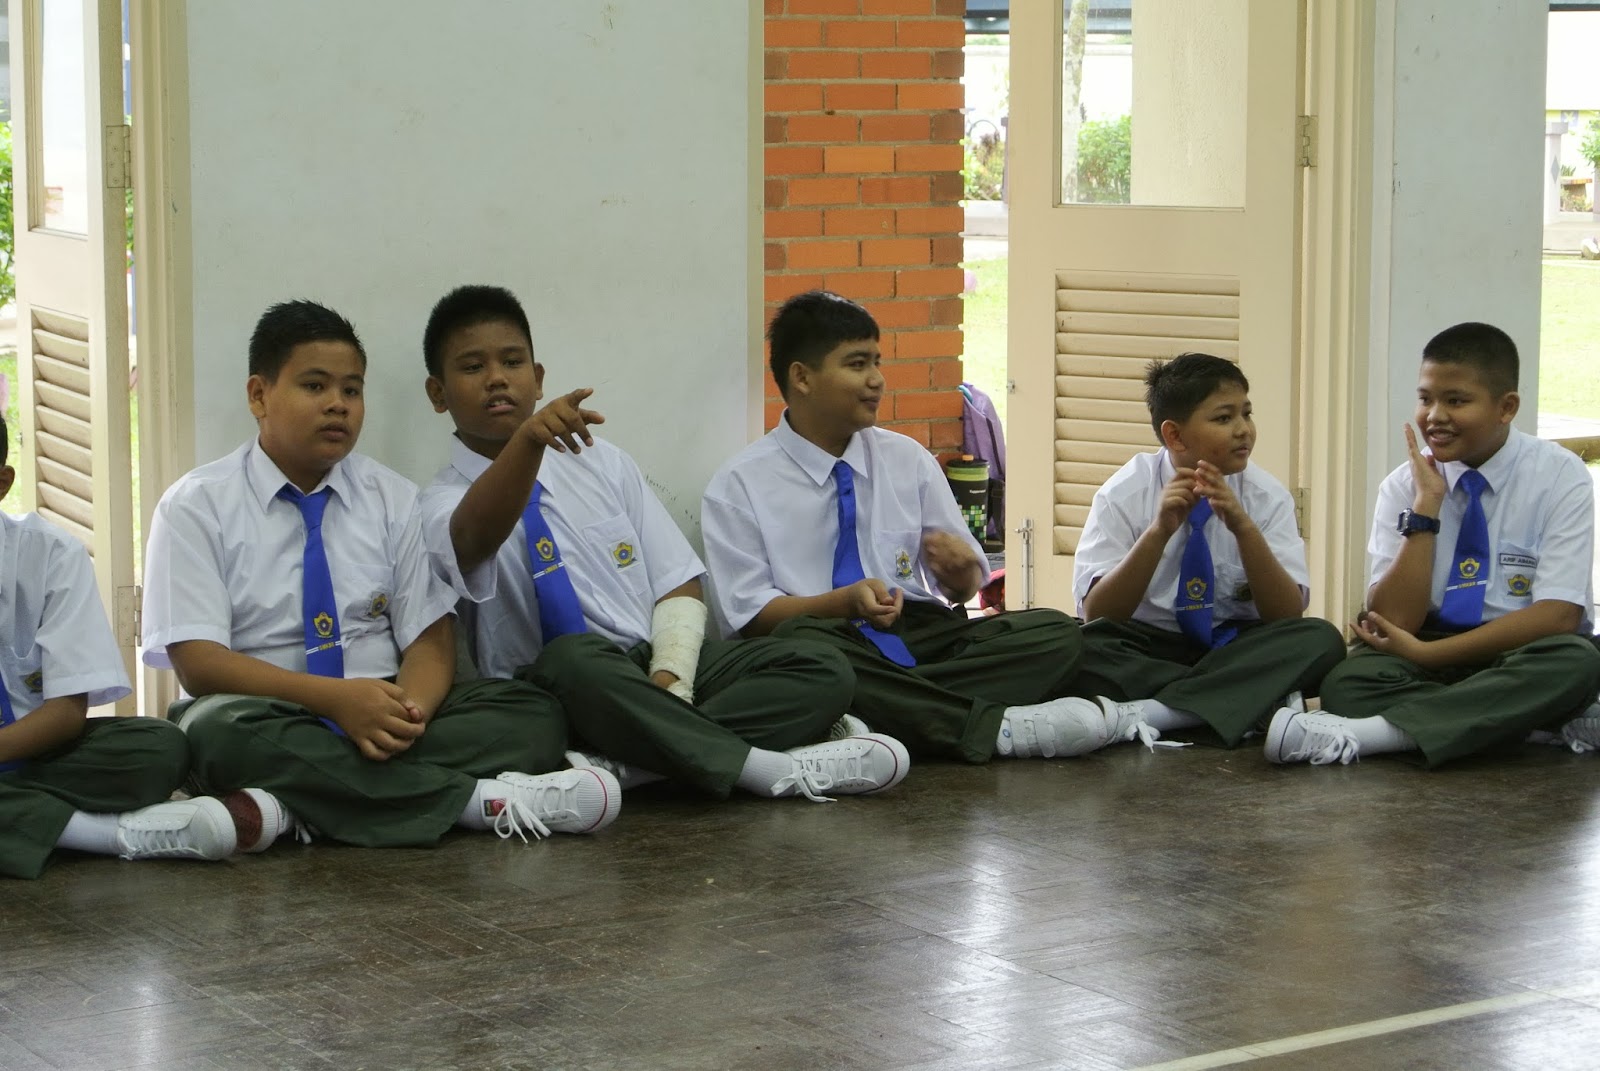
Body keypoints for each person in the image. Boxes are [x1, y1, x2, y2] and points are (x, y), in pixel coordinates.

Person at [141, 299, 619, 849]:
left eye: (352, 390)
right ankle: (479, 803)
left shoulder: (390, 497)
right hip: (269, 710)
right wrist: (336, 701)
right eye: (315, 387)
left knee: (532, 713)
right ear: (259, 395)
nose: (338, 407)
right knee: (212, 733)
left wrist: (405, 714)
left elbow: (431, 636)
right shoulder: (195, 505)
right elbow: (200, 664)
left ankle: (295, 807)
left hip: (385, 703)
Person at [418, 284, 906, 803]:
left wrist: (669, 679)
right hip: (550, 686)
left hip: (651, 666)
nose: (497, 378)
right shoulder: (438, 503)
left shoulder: (601, 462)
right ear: (438, 394)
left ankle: (638, 762)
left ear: (537, 381)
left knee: (821, 665)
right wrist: (528, 444)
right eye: (473, 368)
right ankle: (762, 768)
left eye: (512, 362)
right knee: (573, 658)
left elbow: (679, 583)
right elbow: (473, 538)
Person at [702, 289, 1136, 764]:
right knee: (812, 656)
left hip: (920, 634)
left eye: (877, 362)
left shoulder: (905, 458)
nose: (877, 380)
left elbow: (967, 584)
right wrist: (841, 603)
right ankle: (993, 728)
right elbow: (750, 619)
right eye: (857, 364)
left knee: (1056, 634)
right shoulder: (740, 485)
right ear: (802, 377)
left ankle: (868, 717)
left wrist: (961, 573)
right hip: (824, 641)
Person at [1271, 322, 1600, 766]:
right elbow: (1393, 618)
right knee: (1348, 683)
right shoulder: (1403, 485)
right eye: (1426, 398)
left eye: (1456, 401)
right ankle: (1522, 721)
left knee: (1573, 663)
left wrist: (1429, 653)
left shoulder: (1561, 477)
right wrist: (1425, 511)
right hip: (1421, 645)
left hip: (1519, 648)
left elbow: (1559, 616)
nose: (1434, 416)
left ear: (1506, 407)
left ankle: (1367, 736)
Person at [1070, 354, 1346, 749]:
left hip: (1234, 646)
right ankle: (1244, 703)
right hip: (1149, 645)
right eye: (1224, 418)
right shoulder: (1124, 493)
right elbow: (1098, 613)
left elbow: (1285, 614)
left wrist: (1243, 528)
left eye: (1247, 414)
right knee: (1077, 649)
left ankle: (1153, 713)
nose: (1243, 431)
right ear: (1175, 436)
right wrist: (1159, 531)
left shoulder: (1266, 497)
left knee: (1320, 640)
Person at [2, 415, 236, 878]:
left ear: (2, 482)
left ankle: (23, 818)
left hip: (31, 749)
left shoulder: (49, 555)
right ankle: (109, 836)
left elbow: (66, 713)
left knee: (159, 747)